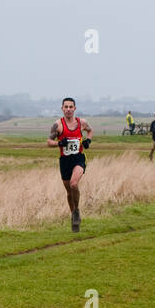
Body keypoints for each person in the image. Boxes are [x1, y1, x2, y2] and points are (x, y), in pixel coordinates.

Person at [48, 97, 92, 232]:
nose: (68, 109)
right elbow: (49, 142)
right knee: (69, 192)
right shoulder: (58, 125)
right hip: (64, 161)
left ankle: (77, 210)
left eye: (70, 107)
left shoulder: (81, 122)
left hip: (78, 158)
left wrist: (88, 141)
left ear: (75, 109)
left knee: (74, 184)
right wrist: (59, 143)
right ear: (62, 109)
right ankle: (73, 214)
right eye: (65, 107)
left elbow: (90, 131)